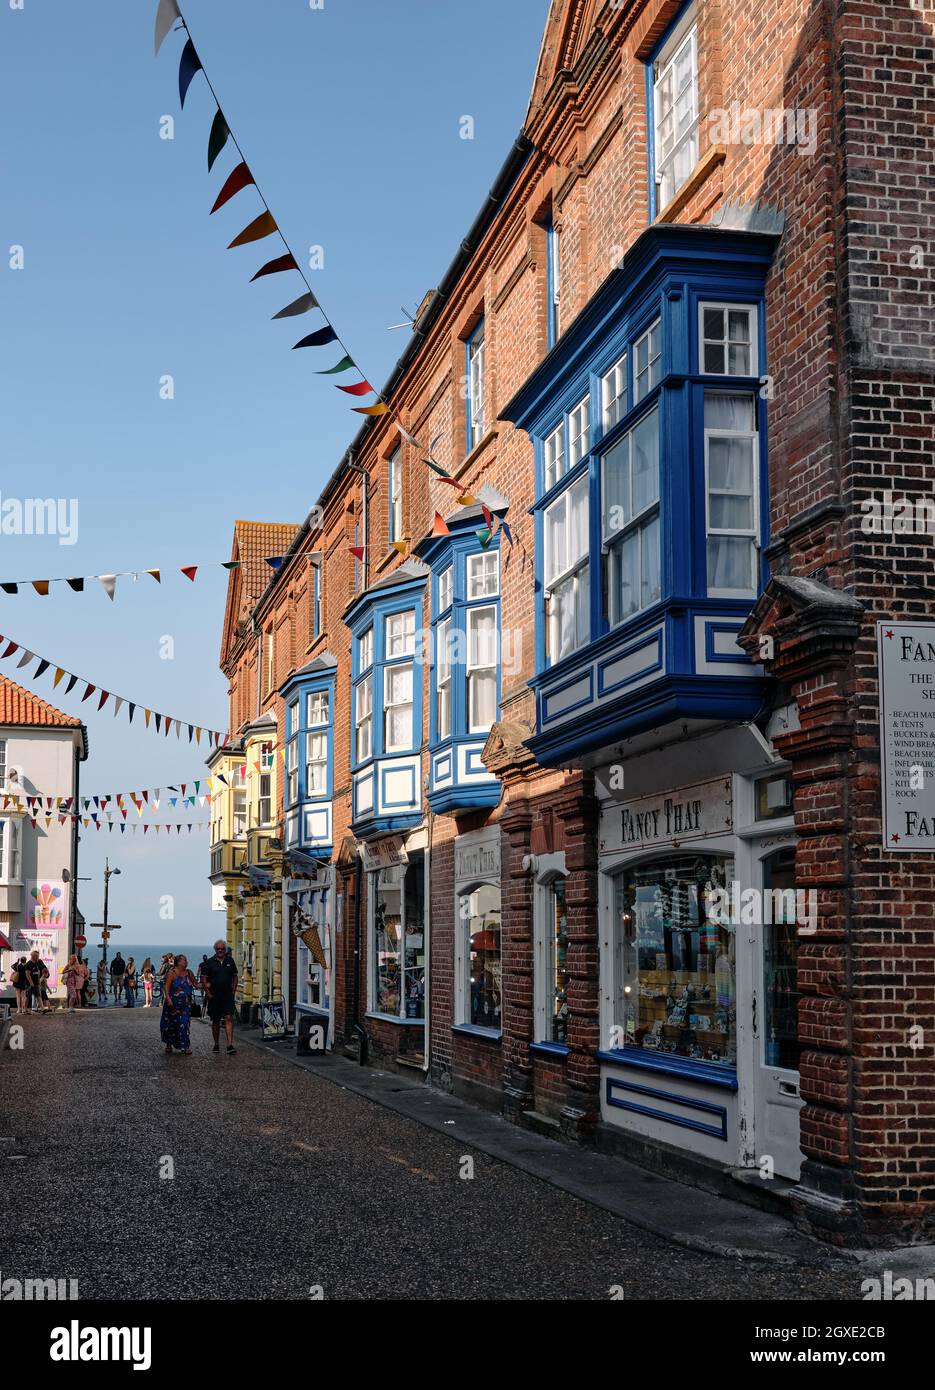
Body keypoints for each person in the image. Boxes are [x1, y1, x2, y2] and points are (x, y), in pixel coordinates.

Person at [202, 938, 238, 1055]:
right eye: (218, 949)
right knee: (216, 1020)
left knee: (229, 1018)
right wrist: (208, 994)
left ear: (225, 949)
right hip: (214, 996)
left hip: (227, 995)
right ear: (215, 949)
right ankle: (216, 1044)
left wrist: (233, 991)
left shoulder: (230, 960)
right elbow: (204, 979)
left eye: (223, 949)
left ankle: (229, 1044)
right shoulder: (209, 963)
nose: (220, 951)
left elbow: (235, 976)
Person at [160, 954, 197, 1056]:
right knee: (171, 1025)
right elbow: (166, 987)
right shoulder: (172, 973)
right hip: (172, 1004)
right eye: (184, 960)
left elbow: (196, 984)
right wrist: (168, 999)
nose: (187, 962)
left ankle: (184, 1046)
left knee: (184, 1024)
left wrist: (208, 984)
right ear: (179, 962)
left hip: (185, 1005)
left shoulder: (189, 973)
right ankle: (168, 1044)